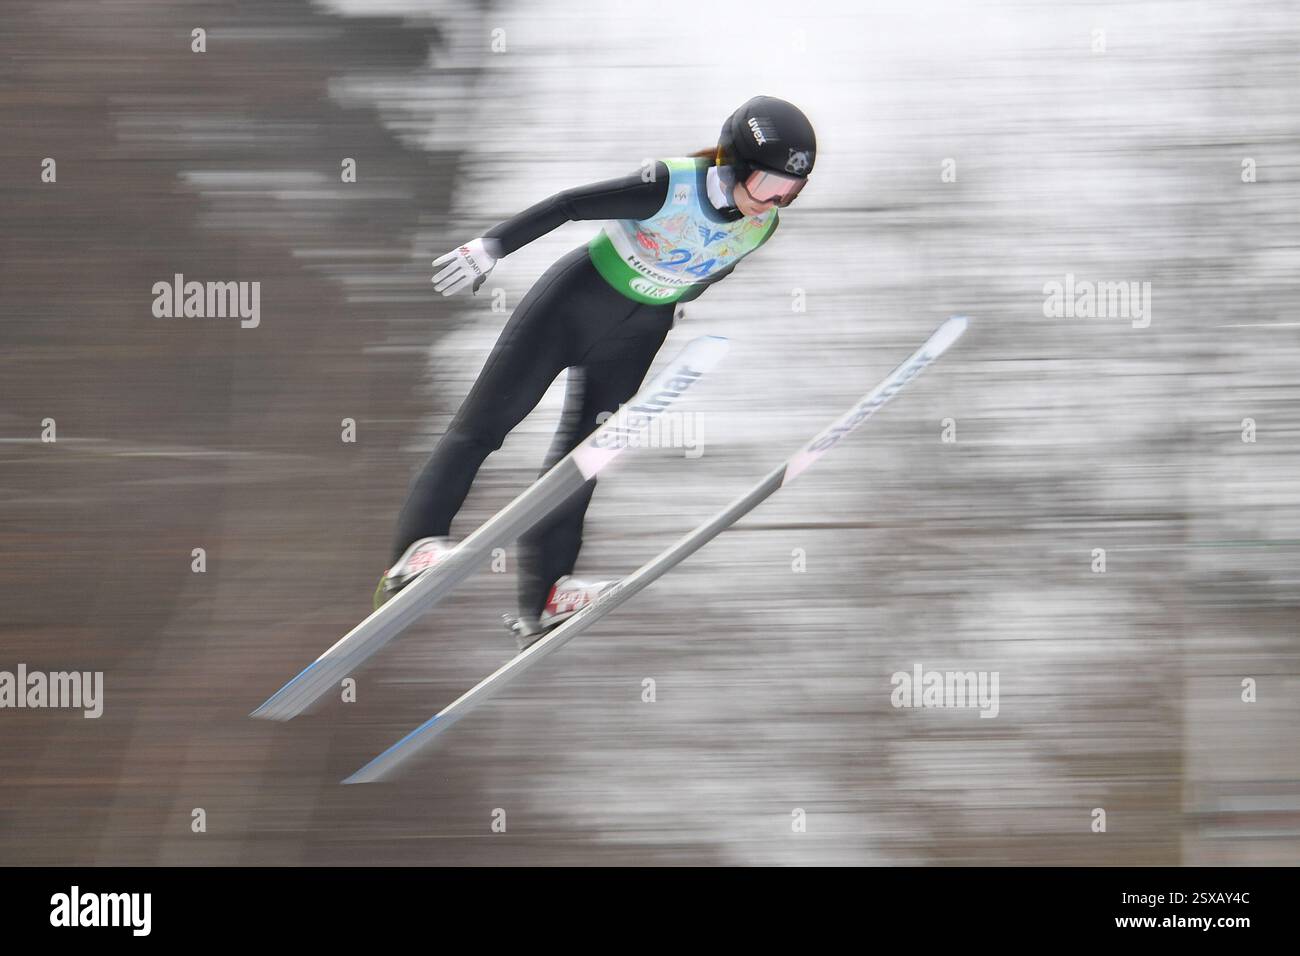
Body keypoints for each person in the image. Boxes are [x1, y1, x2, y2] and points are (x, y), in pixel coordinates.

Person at [377, 95, 817, 649]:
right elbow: (568, 205)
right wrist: (492, 245)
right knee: (485, 427)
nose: (774, 201)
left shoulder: (762, 227)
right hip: (572, 306)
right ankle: (414, 550)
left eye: (789, 193)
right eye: (766, 185)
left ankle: (545, 597)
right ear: (732, 163)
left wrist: (673, 302)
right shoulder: (671, 184)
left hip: (638, 335)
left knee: (582, 463)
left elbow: (713, 268)